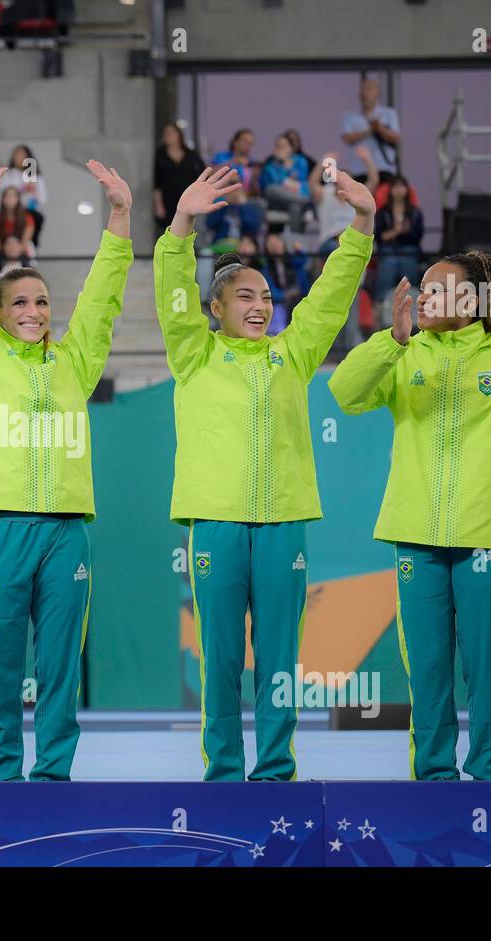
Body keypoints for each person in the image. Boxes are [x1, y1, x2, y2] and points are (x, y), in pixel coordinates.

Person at [329, 255, 491, 781]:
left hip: (484, 539)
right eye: (423, 289)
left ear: (470, 302)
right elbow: (345, 392)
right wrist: (393, 340)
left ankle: (489, 776)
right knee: (427, 669)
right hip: (414, 538)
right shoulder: (405, 355)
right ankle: (432, 778)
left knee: (483, 666)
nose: (423, 297)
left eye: (435, 289)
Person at [154, 165, 374, 782]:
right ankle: (224, 773)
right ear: (215, 307)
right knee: (220, 660)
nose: (260, 306)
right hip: (217, 526)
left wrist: (362, 224)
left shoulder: (291, 354)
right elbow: (172, 296)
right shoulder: (193, 354)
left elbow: (329, 297)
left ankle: (275, 769)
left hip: (283, 525)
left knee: (279, 661)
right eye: (245, 296)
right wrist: (181, 226)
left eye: (268, 298)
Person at [0, 151, 134, 782]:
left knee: (60, 665)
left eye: (42, 301)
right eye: (19, 303)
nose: (33, 310)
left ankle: (54, 775)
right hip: (0, 531)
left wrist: (121, 215)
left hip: (65, 532)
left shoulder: (74, 365)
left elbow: (103, 298)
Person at [372, 173, 424, 317]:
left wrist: (406, 232)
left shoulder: (415, 213)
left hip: (408, 248)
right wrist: (395, 232)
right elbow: (380, 237)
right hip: (388, 249)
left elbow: (417, 237)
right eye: (395, 186)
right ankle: (380, 304)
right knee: (390, 261)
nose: (398, 190)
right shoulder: (383, 213)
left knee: (407, 258)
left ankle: (413, 302)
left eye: (402, 186)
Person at [340, 76, 401, 185]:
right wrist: (370, 130)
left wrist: (380, 129)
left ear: (378, 93)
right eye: (362, 89)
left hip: (384, 168)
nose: (364, 93)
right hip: (359, 169)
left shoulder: (389, 114)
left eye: (369, 89)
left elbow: (396, 138)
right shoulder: (350, 116)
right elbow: (347, 138)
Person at [207, 128, 263, 243]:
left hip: (244, 200)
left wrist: (255, 178)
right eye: (244, 141)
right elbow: (212, 175)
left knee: (258, 206)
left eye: (250, 143)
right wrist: (234, 161)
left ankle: (248, 244)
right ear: (235, 142)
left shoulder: (251, 164)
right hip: (222, 197)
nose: (247, 146)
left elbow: (255, 189)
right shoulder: (222, 157)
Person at [153, 122, 204, 232]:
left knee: (188, 226)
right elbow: (157, 182)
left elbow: (202, 172)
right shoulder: (160, 154)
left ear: (179, 135)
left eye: (171, 133)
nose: (168, 136)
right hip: (168, 198)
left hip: (188, 196)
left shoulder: (190, 154)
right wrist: (158, 205)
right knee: (169, 228)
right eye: (166, 133)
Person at [258, 134, 310, 233]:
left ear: (291, 148)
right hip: (276, 201)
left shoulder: (300, 162)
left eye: (283, 146)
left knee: (295, 206)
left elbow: (301, 182)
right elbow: (273, 186)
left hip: (294, 199)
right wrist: (283, 167)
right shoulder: (270, 166)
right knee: (271, 189)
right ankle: (306, 202)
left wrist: (288, 172)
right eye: (278, 146)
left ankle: (294, 242)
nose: (280, 149)